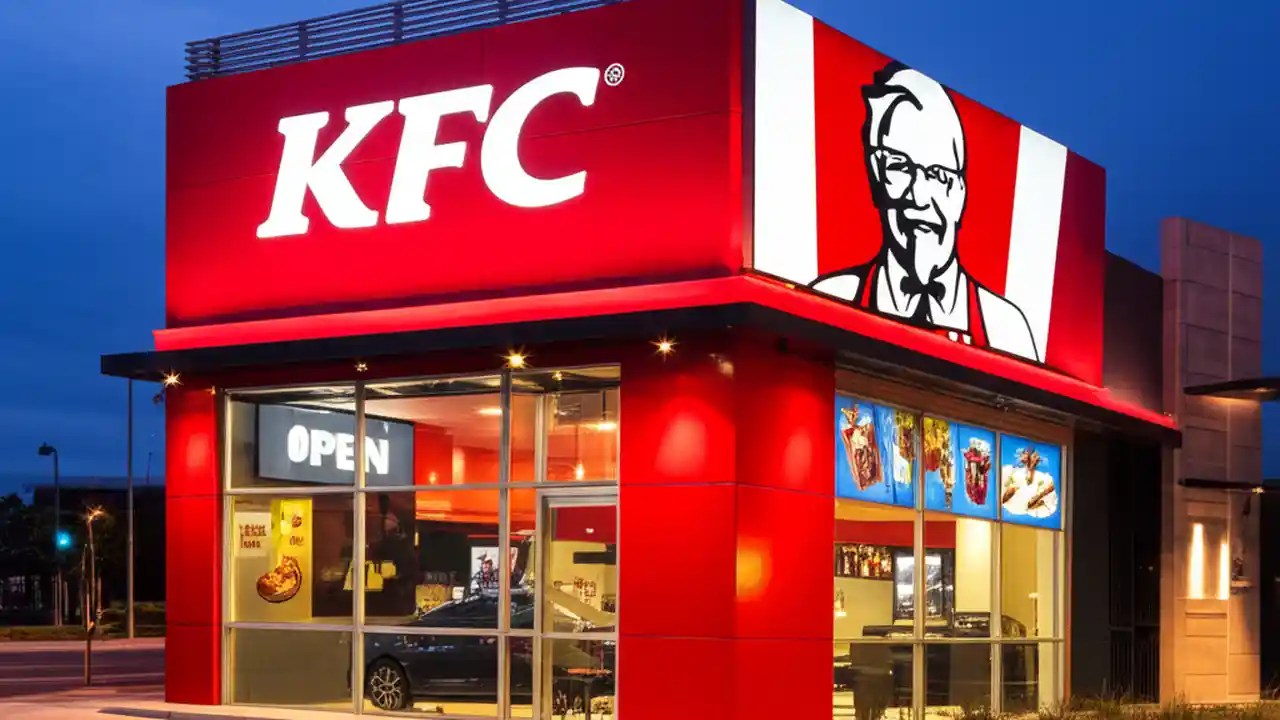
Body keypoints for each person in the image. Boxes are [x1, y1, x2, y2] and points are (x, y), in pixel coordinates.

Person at [810, 62, 1040, 362]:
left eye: (937, 174)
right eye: (899, 167)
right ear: (877, 178)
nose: (919, 196)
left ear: (960, 193)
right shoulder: (830, 298)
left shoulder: (1009, 330)